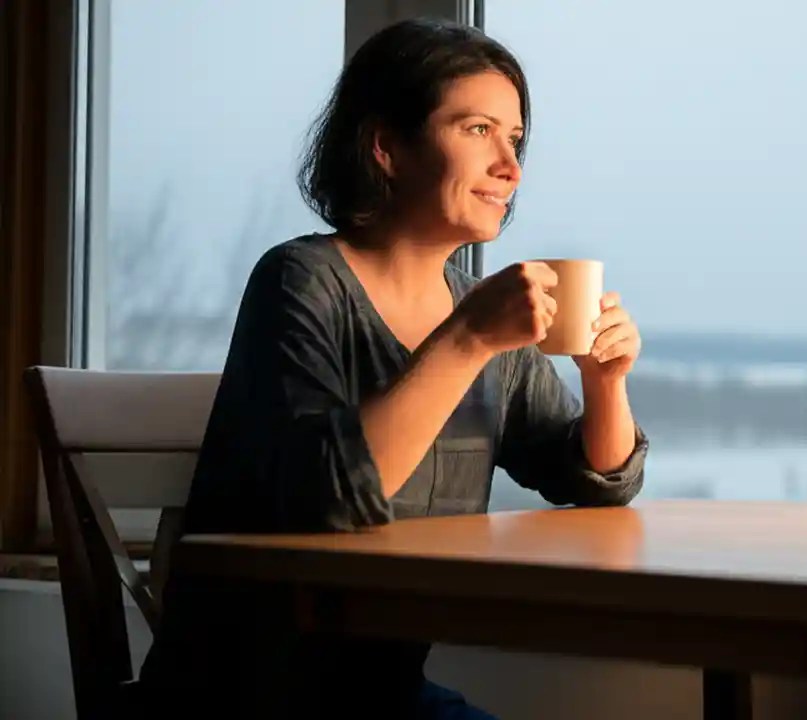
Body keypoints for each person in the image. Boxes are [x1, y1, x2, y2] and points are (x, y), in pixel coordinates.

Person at [137, 18, 648, 719]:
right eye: (477, 130)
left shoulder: (478, 308)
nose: (511, 167)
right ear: (386, 147)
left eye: (516, 139)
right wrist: (467, 340)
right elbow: (331, 499)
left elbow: (593, 481)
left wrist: (604, 381)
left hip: (383, 695)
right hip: (244, 695)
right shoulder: (302, 281)